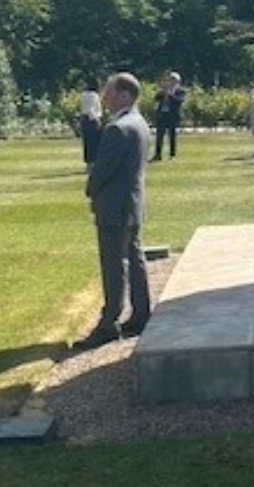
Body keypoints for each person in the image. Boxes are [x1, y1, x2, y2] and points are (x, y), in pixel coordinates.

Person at [75, 72, 151, 349]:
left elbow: (101, 171)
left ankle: (109, 323)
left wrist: (90, 189)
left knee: (114, 264)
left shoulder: (118, 128)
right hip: (132, 203)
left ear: (125, 95)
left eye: (110, 91)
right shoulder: (139, 123)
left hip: (115, 206)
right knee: (134, 257)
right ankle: (141, 314)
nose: (105, 96)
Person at [152, 71, 187, 161]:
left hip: (173, 116)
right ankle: (157, 155)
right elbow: (156, 98)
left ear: (177, 81)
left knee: (172, 136)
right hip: (162, 115)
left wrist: (169, 94)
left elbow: (179, 101)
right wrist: (162, 92)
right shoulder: (164, 90)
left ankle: (172, 155)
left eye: (172, 80)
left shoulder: (181, 91)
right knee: (159, 136)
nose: (170, 82)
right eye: (169, 80)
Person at [79, 76, 103, 169]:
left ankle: (89, 164)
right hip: (92, 120)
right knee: (95, 142)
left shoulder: (84, 94)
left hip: (84, 119)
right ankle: (93, 163)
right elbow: (91, 109)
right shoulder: (94, 95)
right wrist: (97, 120)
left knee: (87, 143)